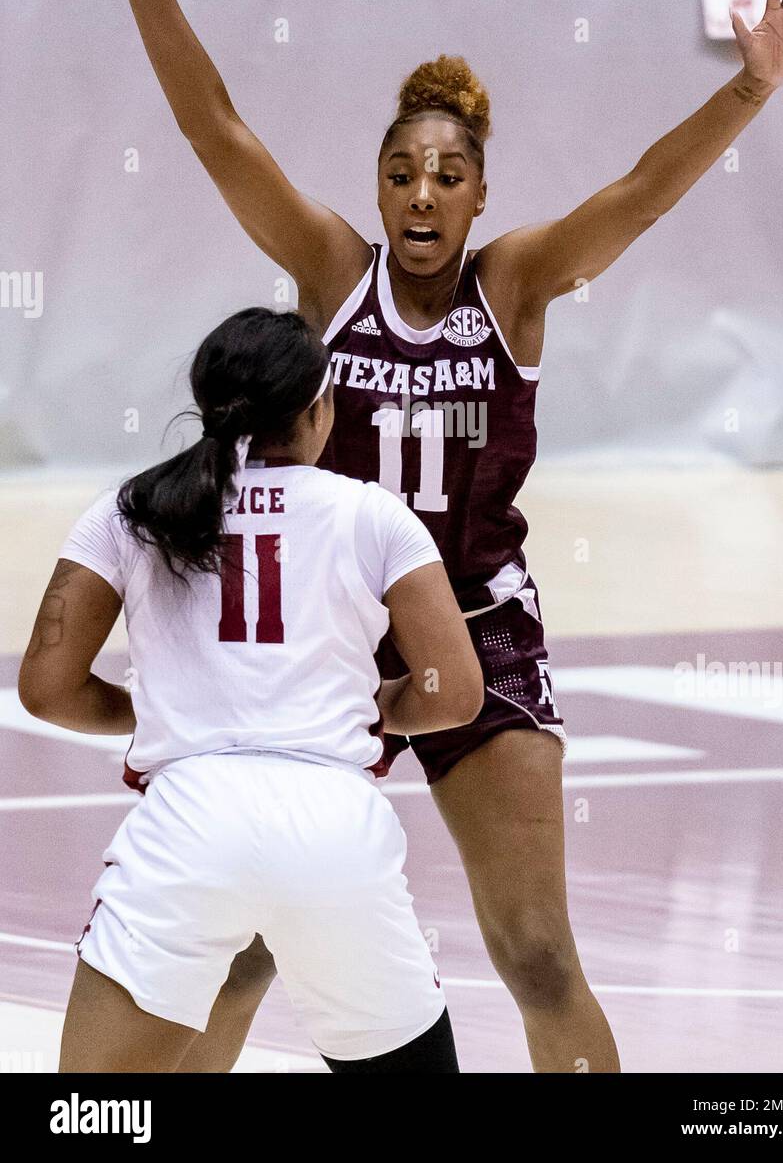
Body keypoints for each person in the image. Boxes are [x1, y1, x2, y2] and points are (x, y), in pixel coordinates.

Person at [103, 0, 783, 1073]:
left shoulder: (515, 288)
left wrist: (752, 82)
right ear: (380, 189)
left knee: (537, 953)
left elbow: (640, 193)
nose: (421, 195)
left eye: (446, 175)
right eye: (400, 174)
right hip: (335, 635)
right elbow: (217, 132)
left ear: (479, 194)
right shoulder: (331, 272)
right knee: (245, 947)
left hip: (482, 626)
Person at [18, 307, 483, 1073]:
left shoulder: (132, 510)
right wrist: (384, 707)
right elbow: (455, 694)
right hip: (335, 831)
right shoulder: (375, 516)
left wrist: (166, 708)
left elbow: (46, 688)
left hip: (187, 828)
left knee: (93, 1118)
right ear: (316, 409)